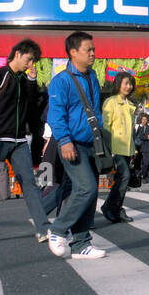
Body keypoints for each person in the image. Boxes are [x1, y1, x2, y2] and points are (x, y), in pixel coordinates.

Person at [0, 40, 54, 246]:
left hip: (19, 142)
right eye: (29, 59)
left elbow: (32, 108)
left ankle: (43, 229)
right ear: (17, 54)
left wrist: (32, 82)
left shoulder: (24, 80)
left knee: (30, 184)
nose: (30, 64)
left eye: (33, 60)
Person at [44, 31, 107, 260]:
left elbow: (94, 109)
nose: (93, 53)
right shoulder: (60, 81)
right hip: (72, 144)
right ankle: (58, 229)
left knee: (90, 193)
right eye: (88, 50)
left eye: (93, 49)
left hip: (92, 143)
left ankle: (81, 244)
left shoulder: (92, 77)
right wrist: (64, 140)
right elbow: (56, 115)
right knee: (86, 188)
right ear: (73, 52)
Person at [100, 72, 138, 222]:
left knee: (123, 179)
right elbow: (106, 127)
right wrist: (108, 149)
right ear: (118, 84)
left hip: (127, 149)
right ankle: (110, 207)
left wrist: (134, 149)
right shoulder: (111, 102)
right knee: (124, 176)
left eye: (130, 84)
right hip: (115, 148)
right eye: (126, 83)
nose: (129, 86)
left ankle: (115, 209)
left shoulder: (130, 105)